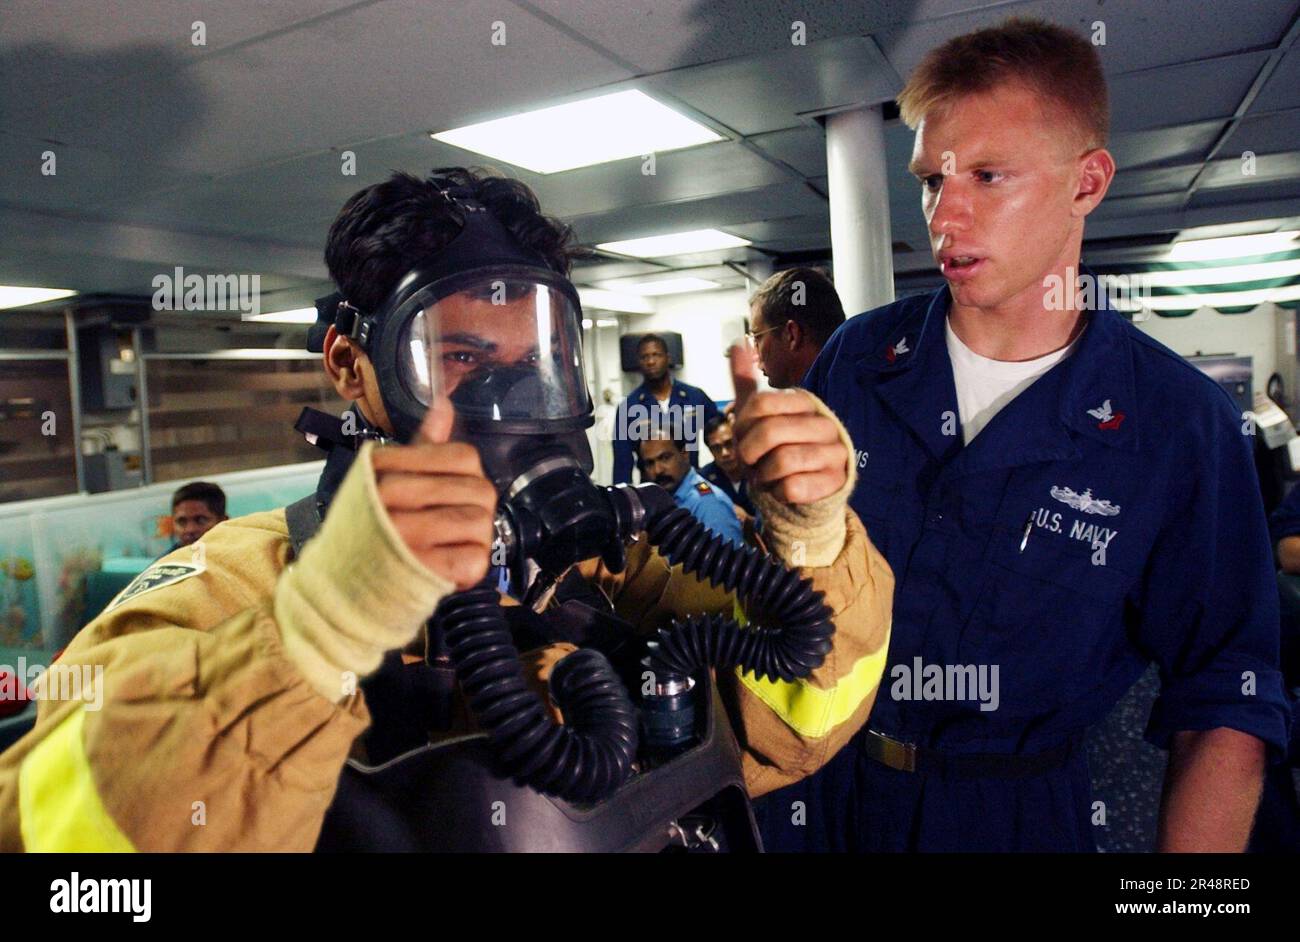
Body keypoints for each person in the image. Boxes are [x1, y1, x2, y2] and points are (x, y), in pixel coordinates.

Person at [0, 168, 893, 851]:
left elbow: (803, 723)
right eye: (463, 360)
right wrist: (312, 634)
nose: (517, 398)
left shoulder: (613, 567)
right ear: (354, 369)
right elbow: (60, 846)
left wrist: (810, 538)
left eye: (539, 359)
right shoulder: (230, 586)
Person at [762, 17, 1290, 853]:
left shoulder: (1176, 422)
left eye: (988, 175)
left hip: (1011, 815)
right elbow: (781, 586)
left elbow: (1225, 698)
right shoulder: (858, 361)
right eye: (932, 179)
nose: (945, 213)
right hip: (817, 791)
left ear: (1088, 183)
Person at [611, 334, 719, 484]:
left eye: (656, 355)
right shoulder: (628, 407)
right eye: (645, 357)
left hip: (692, 485)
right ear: (639, 363)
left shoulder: (694, 396)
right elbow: (622, 463)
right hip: (653, 490)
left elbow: (719, 434)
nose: (651, 361)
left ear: (668, 358)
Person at [636, 425, 743, 547]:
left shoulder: (707, 504)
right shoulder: (662, 502)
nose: (657, 470)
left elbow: (726, 563)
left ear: (685, 454)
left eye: (665, 458)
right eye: (650, 463)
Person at [747, 267, 845, 389]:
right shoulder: (858, 386)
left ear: (792, 334)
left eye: (757, 338)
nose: (754, 356)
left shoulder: (834, 402)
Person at [700, 414, 755, 517]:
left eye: (729, 443)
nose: (724, 453)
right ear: (710, 451)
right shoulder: (704, 480)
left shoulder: (759, 472)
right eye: (716, 448)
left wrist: (749, 521)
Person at [168, 481, 228, 548]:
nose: (190, 530)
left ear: (223, 522)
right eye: (182, 522)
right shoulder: (167, 558)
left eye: (200, 520)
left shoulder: (239, 555)